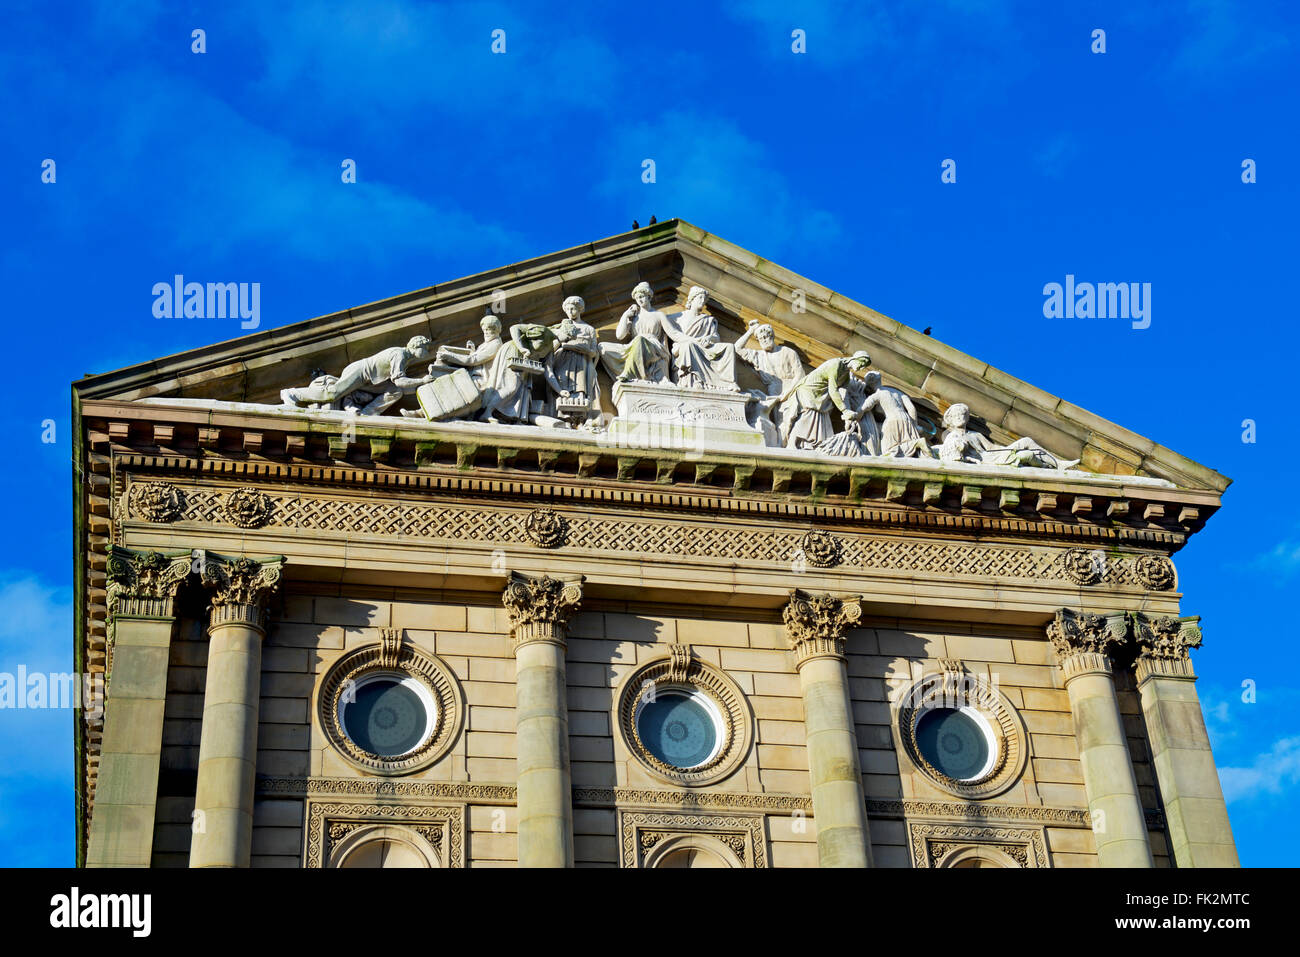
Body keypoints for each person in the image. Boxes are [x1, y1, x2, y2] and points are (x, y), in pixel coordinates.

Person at [282, 337, 434, 415]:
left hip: (371, 382)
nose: (427, 353)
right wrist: (422, 380)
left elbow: (400, 386)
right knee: (332, 394)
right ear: (416, 345)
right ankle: (292, 394)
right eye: (425, 348)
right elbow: (400, 380)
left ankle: (367, 414)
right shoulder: (399, 354)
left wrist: (422, 385)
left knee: (395, 391)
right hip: (360, 373)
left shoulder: (405, 359)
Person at [935, 402, 1079, 469]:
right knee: (1027, 455)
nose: (959, 417)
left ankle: (1058, 463)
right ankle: (1045, 466)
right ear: (951, 420)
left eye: (962, 414)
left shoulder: (975, 434)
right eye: (956, 415)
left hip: (992, 455)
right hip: (984, 460)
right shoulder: (952, 437)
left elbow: (992, 448)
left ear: (967, 418)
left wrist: (1010, 449)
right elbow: (953, 454)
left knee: (1026, 440)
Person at [778, 351, 872, 449]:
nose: (861, 368)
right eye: (861, 364)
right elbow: (833, 390)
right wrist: (844, 410)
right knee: (806, 418)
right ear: (855, 359)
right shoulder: (836, 364)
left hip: (822, 398)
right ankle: (792, 443)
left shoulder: (846, 376)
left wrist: (847, 414)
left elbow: (844, 395)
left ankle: (812, 445)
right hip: (809, 392)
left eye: (864, 367)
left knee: (821, 421)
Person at [479, 322, 564, 423]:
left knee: (522, 389)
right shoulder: (541, 330)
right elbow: (514, 328)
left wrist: (560, 391)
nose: (567, 340)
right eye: (567, 335)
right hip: (514, 351)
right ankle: (487, 413)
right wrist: (522, 348)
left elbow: (548, 372)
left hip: (526, 363)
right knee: (511, 386)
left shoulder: (549, 348)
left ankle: (508, 417)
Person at [599, 282, 672, 384]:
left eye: (641, 297)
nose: (639, 300)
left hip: (653, 347)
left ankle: (628, 373)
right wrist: (625, 315)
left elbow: (673, 333)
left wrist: (690, 340)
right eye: (637, 298)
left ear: (649, 296)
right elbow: (619, 335)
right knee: (602, 347)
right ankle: (630, 371)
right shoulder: (634, 317)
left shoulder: (658, 315)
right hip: (634, 346)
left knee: (640, 339)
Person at [668, 286, 738, 390]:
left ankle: (729, 383)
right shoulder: (677, 317)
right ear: (692, 299)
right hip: (686, 346)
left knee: (729, 347)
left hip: (705, 347)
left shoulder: (708, 320)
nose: (702, 301)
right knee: (689, 345)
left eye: (704, 299)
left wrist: (709, 338)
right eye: (700, 297)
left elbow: (716, 337)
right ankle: (694, 380)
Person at [543, 296, 600, 419]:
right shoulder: (560, 327)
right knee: (563, 384)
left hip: (581, 361)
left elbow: (594, 352)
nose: (570, 312)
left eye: (573, 309)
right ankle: (562, 415)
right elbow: (549, 349)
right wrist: (561, 339)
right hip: (562, 360)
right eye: (567, 309)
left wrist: (585, 350)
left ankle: (579, 414)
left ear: (580, 309)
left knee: (579, 386)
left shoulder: (589, 329)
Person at [859, 371, 934, 458]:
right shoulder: (898, 392)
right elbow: (911, 409)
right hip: (906, 419)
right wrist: (914, 425)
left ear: (870, 385)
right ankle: (916, 444)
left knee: (888, 451)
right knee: (907, 446)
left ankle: (916, 443)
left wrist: (856, 414)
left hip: (891, 420)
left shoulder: (878, 394)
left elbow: (864, 407)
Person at [435, 312, 503, 388]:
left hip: (479, 381)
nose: (485, 333)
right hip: (472, 375)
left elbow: (473, 360)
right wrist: (472, 351)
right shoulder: (486, 344)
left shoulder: (496, 344)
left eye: (488, 329)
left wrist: (450, 356)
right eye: (484, 330)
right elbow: (476, 358)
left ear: (496, 329)